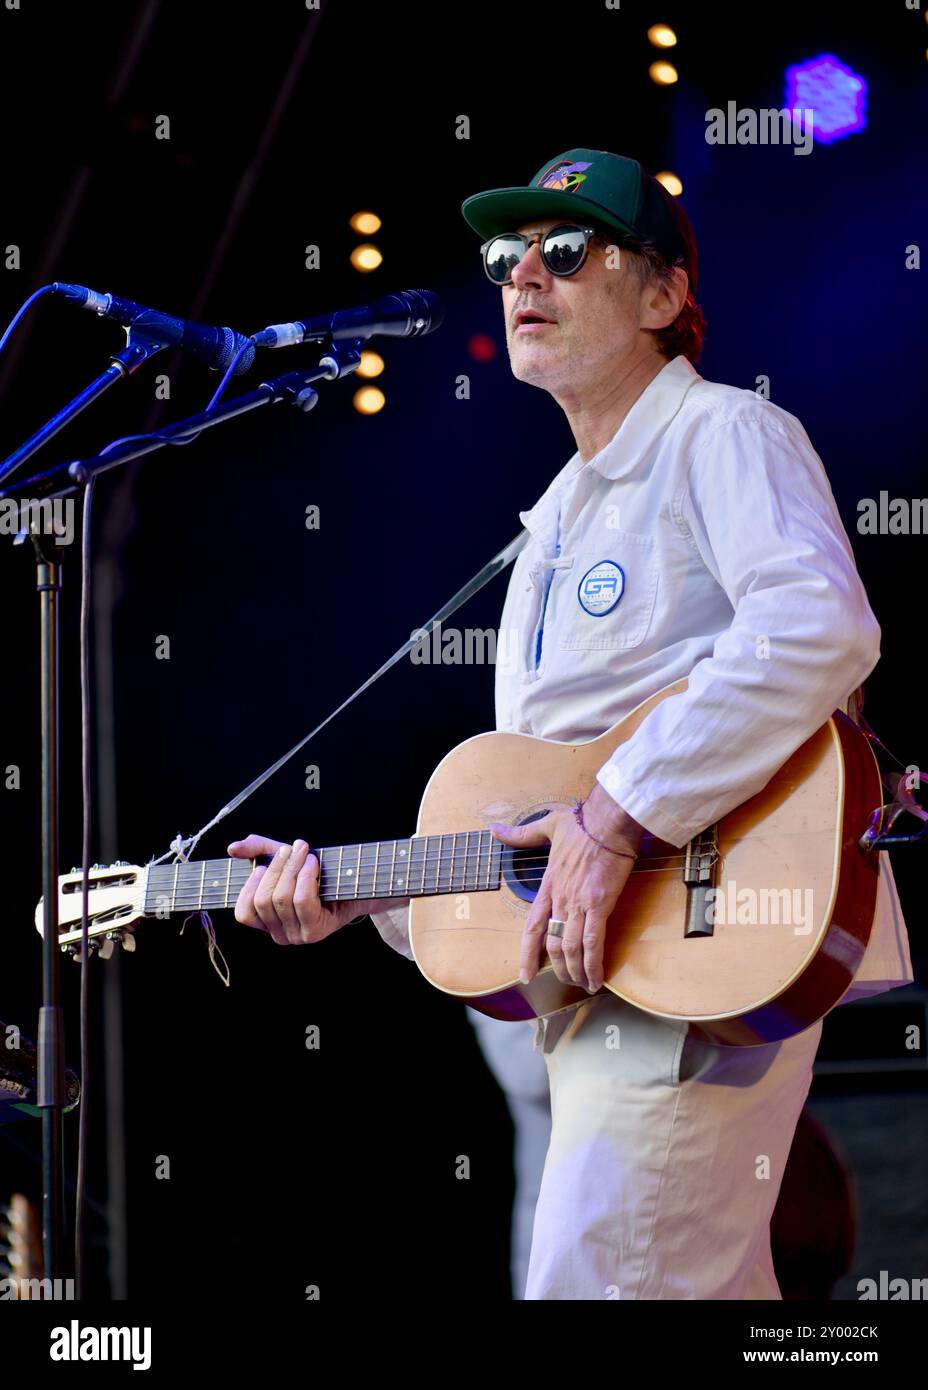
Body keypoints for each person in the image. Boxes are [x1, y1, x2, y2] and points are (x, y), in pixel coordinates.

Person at [227, 148, 914, 1300]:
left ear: (661, 296)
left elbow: (818, 626)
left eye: (567, 249)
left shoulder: (723, 434)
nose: (522, 276)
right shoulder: (548, 526)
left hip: (693, 969)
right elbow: (533, 836)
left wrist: (617, 816)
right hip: (613, 983)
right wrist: (375, 899)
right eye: (505, 257)